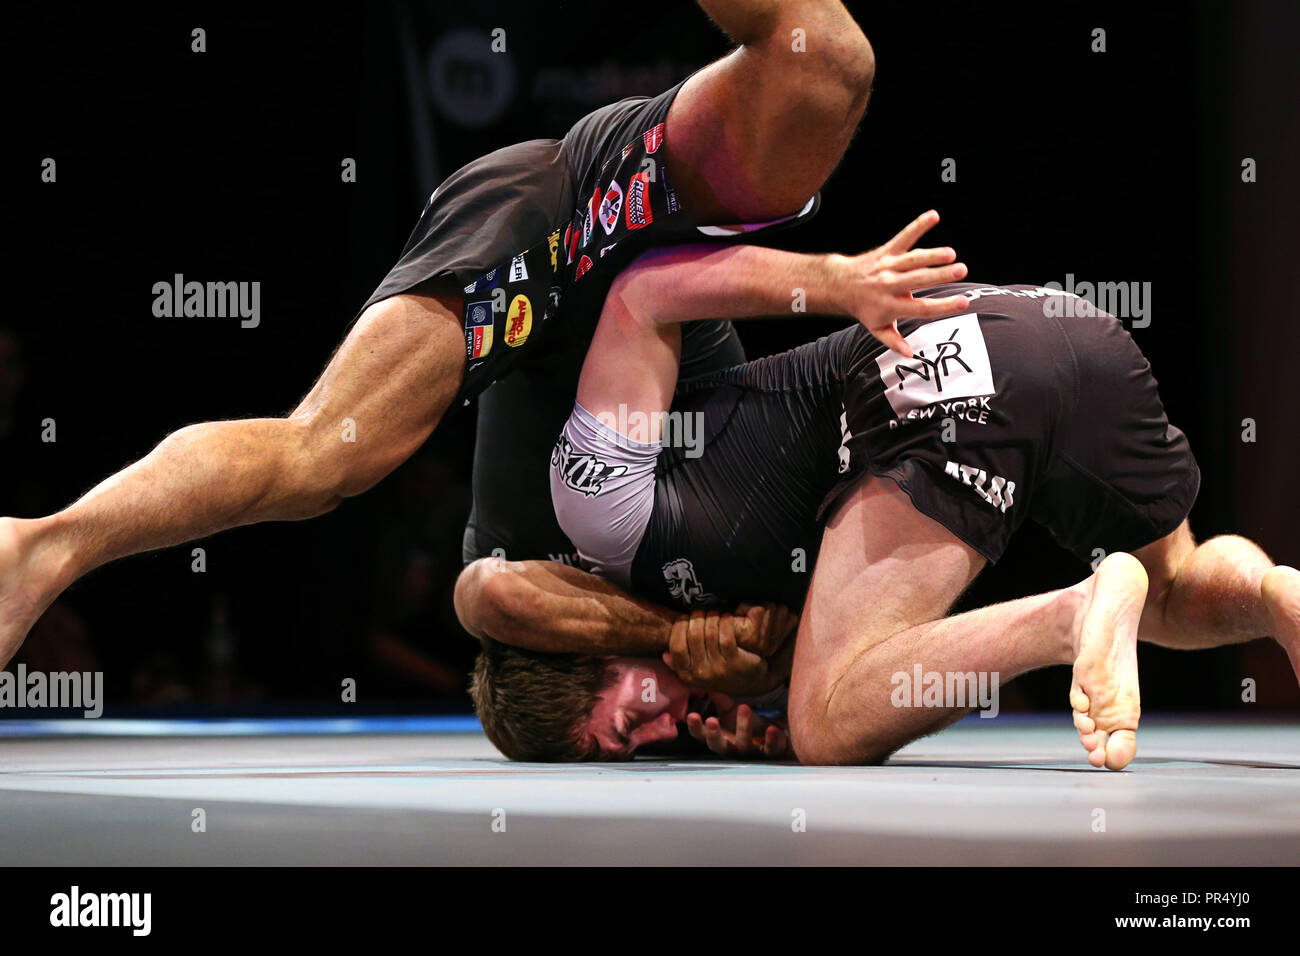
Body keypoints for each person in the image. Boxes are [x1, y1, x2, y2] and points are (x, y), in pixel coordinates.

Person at [0, 1, 876, 669]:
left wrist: (676, 641)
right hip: (604, 210)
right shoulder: (753, 588)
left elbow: (485, 596)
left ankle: (40, 544)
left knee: (320, 459)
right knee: (825, 66)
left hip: (565, 251)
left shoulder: (549, 566)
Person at [457, 213, 1300, 767]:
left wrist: (832, 282)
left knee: (829, 728)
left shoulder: (602, 512)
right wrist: (769, 715)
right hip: (1063, 330)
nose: (662, 734)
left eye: (631, 724)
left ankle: (1075, 612)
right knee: (1177, 591)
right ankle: (1276, 594)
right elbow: (882, 662)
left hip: (927, 375)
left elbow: (640, 297)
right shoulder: (748, 625)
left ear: (592, 653)